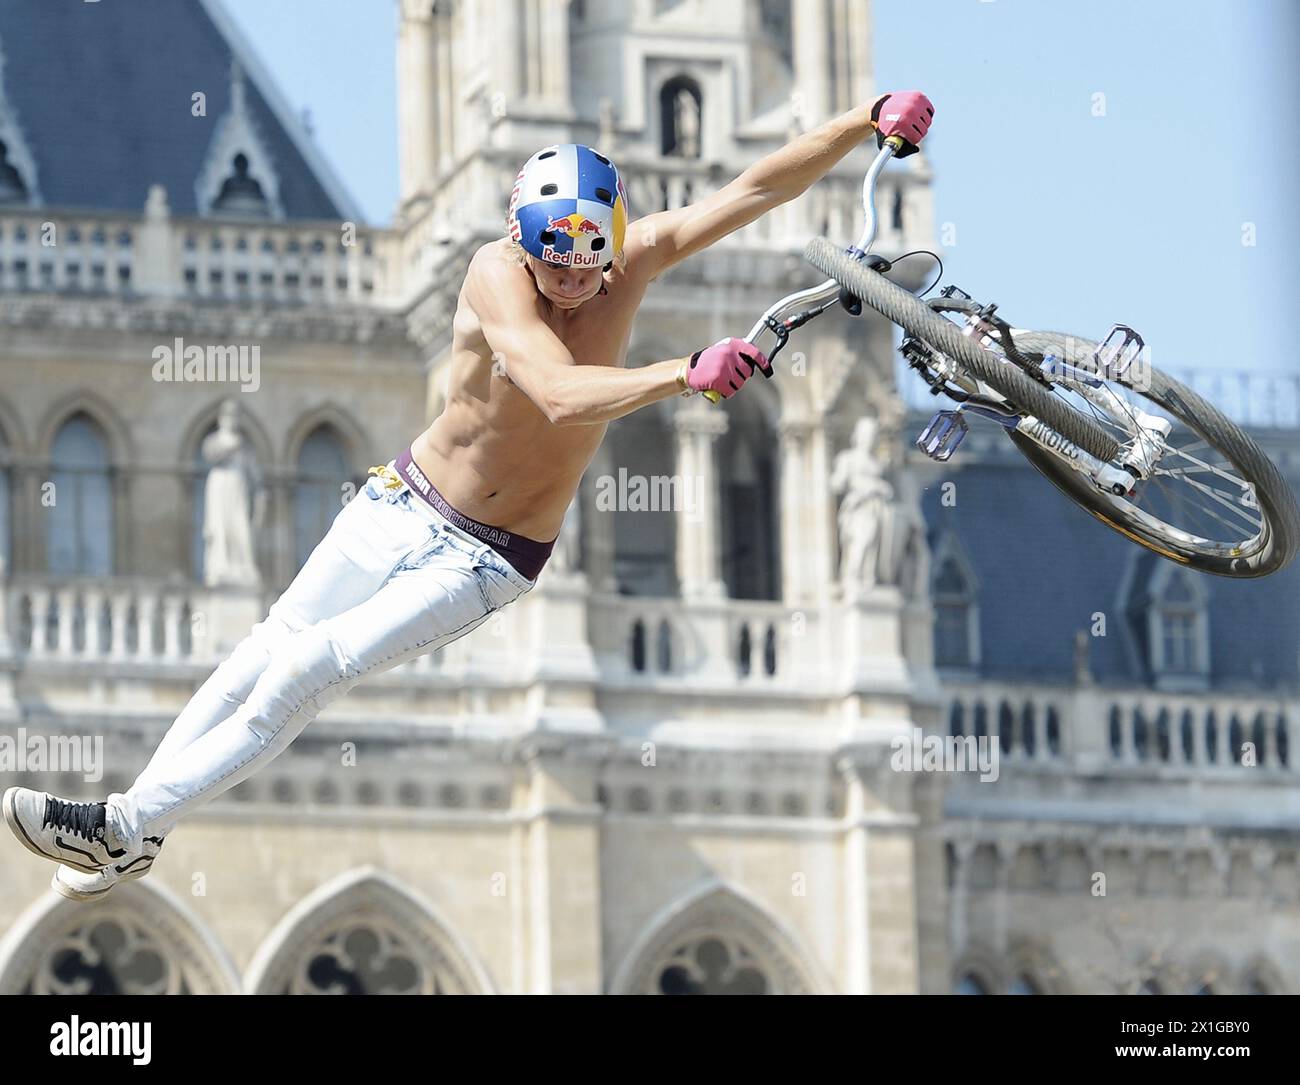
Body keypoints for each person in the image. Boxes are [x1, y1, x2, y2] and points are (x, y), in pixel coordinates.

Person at [3, 91, 934, 900]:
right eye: (554, 259)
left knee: (307, 668)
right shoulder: (493, 274)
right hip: (399, 504)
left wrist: (862, 121)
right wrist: (684, 371)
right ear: (521, 241)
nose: (574, 280)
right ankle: (133, 830)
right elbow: (559, 391)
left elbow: (754, 190)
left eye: (589, 261)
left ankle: (126, 824)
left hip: (486, 558)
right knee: (261, 650)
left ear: (611, 242)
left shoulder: (632, 258)